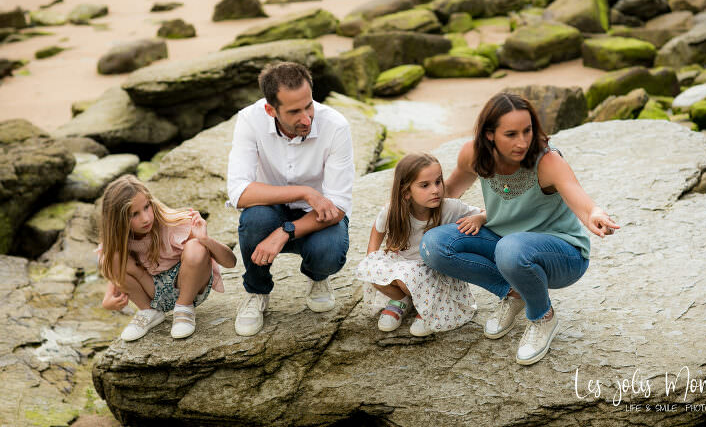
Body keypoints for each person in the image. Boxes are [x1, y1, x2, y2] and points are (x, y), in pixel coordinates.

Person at [420, 93, 619, 365]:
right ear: (490, 135)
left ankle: (543, 317)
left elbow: (579, 198)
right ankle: (513, 292)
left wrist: (594, 213)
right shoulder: (473, 154)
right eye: (511, 134)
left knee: (510, 249)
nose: (522, 142)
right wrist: (404, 213)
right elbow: (450, 191)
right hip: (505, 241)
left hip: (562, 254)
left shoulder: (547, 162)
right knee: (434, 245)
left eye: (527, 131)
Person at [227, 61, 354, 337]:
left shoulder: (336, 126)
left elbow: (338, 207)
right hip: (270, 210)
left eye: (309, 105)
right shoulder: (249, 120)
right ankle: (257, 291)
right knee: (255, 218)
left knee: (329, 251)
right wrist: (304, 191)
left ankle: (317, 277)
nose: (307, 118)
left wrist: (286, 232)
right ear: (270, 110)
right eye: (295, 111)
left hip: (318, 216)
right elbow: (239, 192)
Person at [356, 153, 485, 337]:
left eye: (438, 181)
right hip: (404, 263)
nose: (436, 190)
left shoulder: (450, 208)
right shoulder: (393, 210)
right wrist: (371, 256)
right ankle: (401, 300)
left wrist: (480, 218)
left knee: (405, 277)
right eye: (425, 185)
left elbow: (487, 213)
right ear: (406, 191)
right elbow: (378, 228)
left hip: (434, 271)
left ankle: (427, 308)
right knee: (369, 269)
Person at [99, 175, 236, 341]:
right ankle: (148, 312)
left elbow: (231, 262)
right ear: (118, 221)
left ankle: (184, 308)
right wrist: (108, 298)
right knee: (110, 255)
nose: (146, 218)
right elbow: (114, 265)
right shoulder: (121, 240)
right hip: (154, 292)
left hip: (187, 286)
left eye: (147, 207)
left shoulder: (173, 223)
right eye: (134, 214)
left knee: (196, 247)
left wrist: (205, 240)